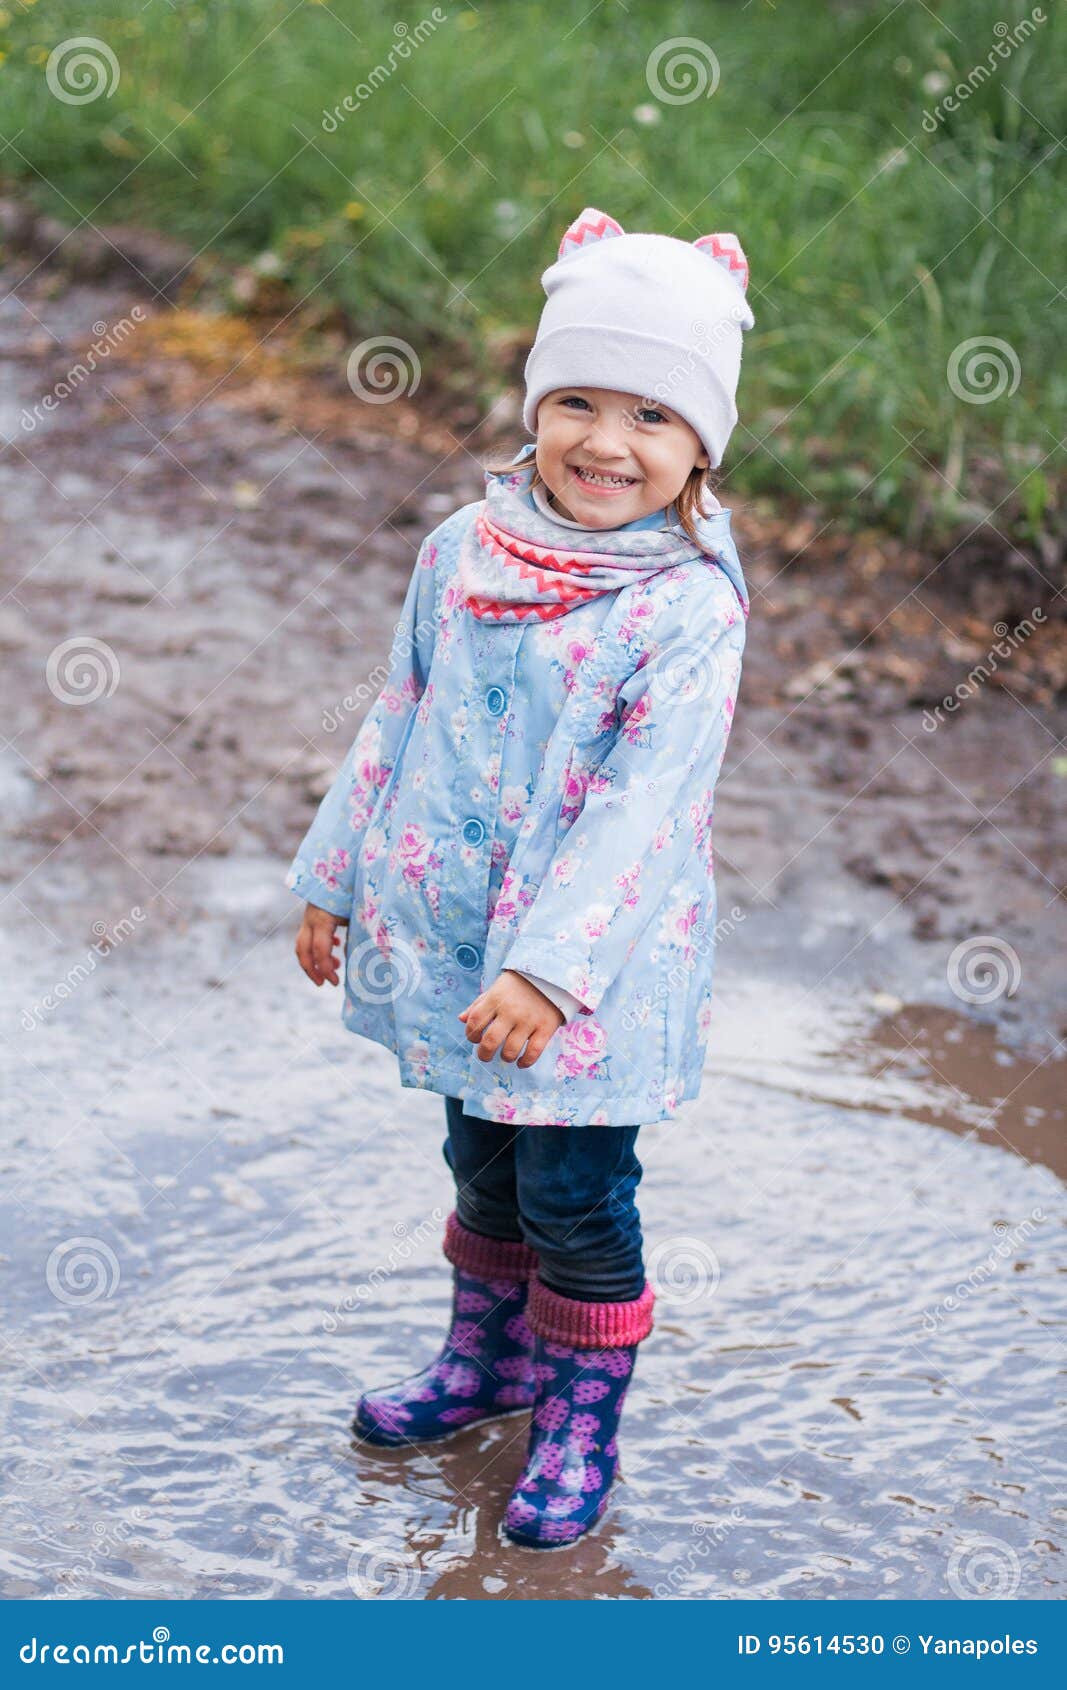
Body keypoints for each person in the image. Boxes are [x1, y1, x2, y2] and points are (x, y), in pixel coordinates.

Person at [287, 206, 755, 1548]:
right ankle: (485, 1363)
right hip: (450, 941)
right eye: (579, 401)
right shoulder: (462, 550)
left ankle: (578, 1420)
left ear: (703, 445)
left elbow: (646, 809)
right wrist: (334, 873)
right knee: (482, 1165)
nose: (609, 440)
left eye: (654, 416)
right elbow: (398, 710)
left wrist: (551, 972)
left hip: (586, 982)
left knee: (575, 1196)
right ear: (536, 405)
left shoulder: (685, 605)